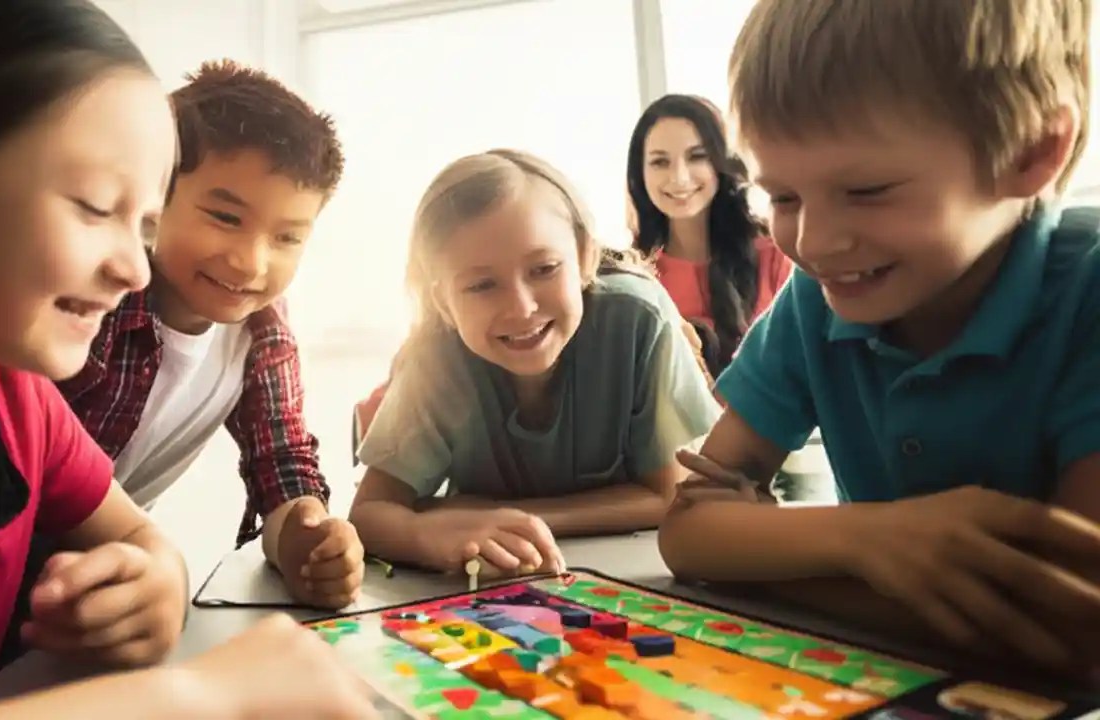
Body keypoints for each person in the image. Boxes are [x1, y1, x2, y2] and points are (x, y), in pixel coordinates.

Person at [0, 0, 373, 716]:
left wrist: (155, 582)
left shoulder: (19, 402)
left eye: (141, 224)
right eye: (93, 206)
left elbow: (144, 535)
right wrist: (192, 695)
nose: (135, 270)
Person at [656, 0, 1100, 674]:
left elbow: (1066, 623)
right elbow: (689, 535)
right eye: (783, 198)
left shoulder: (1087, 292)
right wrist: (872, 538)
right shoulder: (816, 301)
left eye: (866, 191)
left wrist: (768, 560)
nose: (814, 243)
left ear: (1032, 151)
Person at [59, 60, 362, 610]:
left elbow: (283, 460)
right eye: (225, 217)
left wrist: (310, 539)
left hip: (102, 579)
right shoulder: (95, 302)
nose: (251, 263)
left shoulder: (265, 331)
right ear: (157, 194)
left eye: (288, 237)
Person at [350, 149, 720, 576]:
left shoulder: (638, 320)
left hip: (638, 573)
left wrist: (504, 517)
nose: (521, 307)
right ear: (444, 303)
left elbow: (673, 495)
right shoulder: (437, 356)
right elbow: (370, 511)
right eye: (482, 285)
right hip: (501, 589)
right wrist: (426, 535)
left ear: (584, 257)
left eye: (544, 268)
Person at [627, 93, 791, 376]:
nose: (679, 177)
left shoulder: (775, 256)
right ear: (640, 173)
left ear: (721, 162)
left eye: (697, 157)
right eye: (659, 162)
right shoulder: (634, 278)